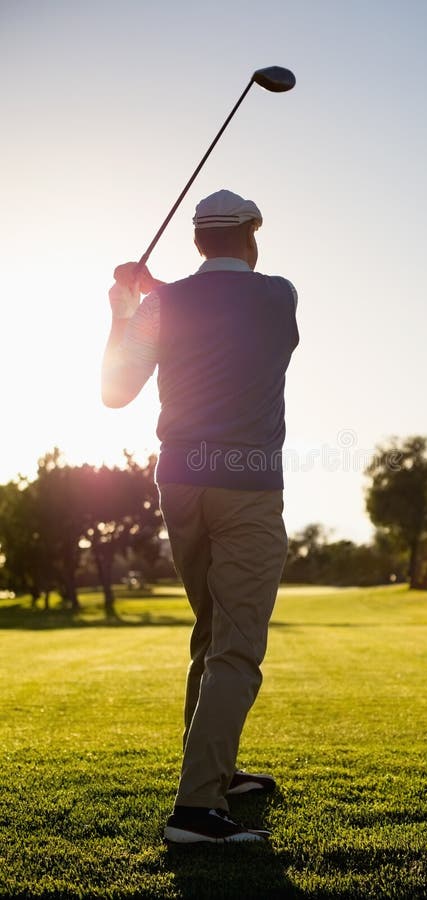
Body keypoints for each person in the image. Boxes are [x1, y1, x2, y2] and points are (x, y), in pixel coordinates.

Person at [101, 189, 299, 844]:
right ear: (251, 236)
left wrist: (125, 311)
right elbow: (226, 313)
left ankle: (217, 771)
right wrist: (150, 297)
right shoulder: (278, 297)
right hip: (244, 484)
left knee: (211, 632)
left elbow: (114, 392)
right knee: (237, 644)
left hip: (179, 481)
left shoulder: (161, 307)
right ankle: (195, 811)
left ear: (196, 242)